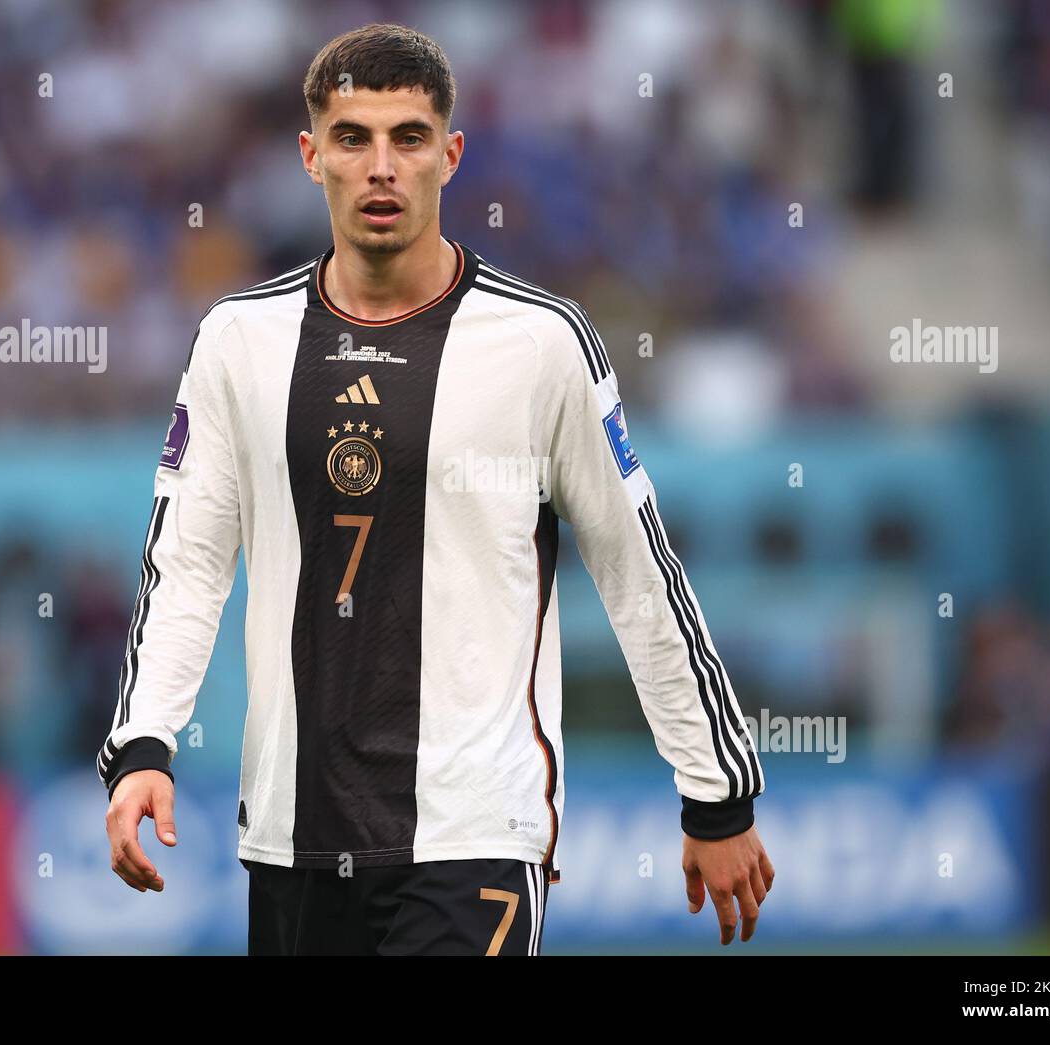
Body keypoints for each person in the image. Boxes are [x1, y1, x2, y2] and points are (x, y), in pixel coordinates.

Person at [98, 22, 772, 956]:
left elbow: (637, 568)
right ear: (310, 156)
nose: (382, 167)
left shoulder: (541, 344)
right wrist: (144, 743)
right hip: (293, 838)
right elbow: (186, 564)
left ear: (450, 154)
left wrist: (716, 787)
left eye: (409, 138)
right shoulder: (237, 342)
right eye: (353, 138)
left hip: (472, 836)